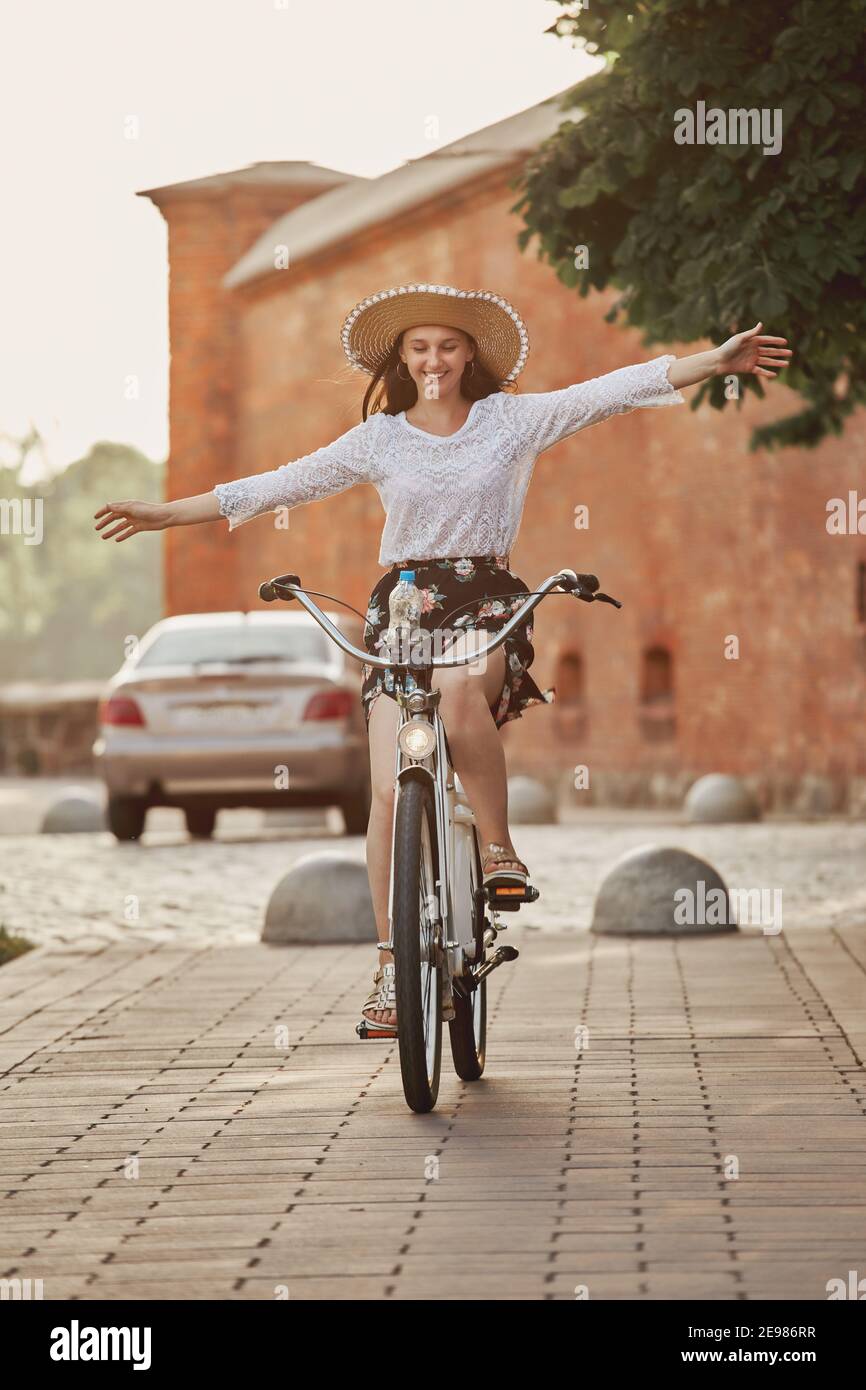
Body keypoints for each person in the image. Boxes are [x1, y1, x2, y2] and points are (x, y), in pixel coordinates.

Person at [94, 283, 791, 1032]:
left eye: (448, 347)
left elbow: (609, 392)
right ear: (402, 357)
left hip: (487, 597)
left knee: (462, 696)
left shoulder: (510, 421)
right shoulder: (380, 438)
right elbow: (281, 483)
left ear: (470, 356)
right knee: (391, 793)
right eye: (420, 348)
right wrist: (168, 513)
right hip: (401, 608)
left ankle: (498, 851)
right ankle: (393, 972)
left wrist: (713, 362)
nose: (434, 360)